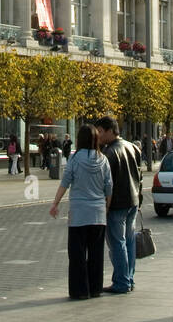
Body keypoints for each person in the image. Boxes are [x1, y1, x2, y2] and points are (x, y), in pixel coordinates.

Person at [49, 124, 113, 299]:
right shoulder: (103, 160)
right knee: (96, 253)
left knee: (77, 254)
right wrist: (106, 207)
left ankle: (79, 290)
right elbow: (109, 187)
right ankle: (95, 288)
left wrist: (55, 203)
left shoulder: (75, 159)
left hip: (78, 214)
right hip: (98, 213)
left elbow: (65, 182)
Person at [98, 116, 142, 295]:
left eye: (100, 132)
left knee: (117, 243)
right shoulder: (132, 147)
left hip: (117, 203)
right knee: (129, 241)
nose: (98, 136)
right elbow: (139, 176)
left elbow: (106, 183)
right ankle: (129, 278)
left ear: (110, 130)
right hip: (133, 200)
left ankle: (121, 281)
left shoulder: (109, 153)